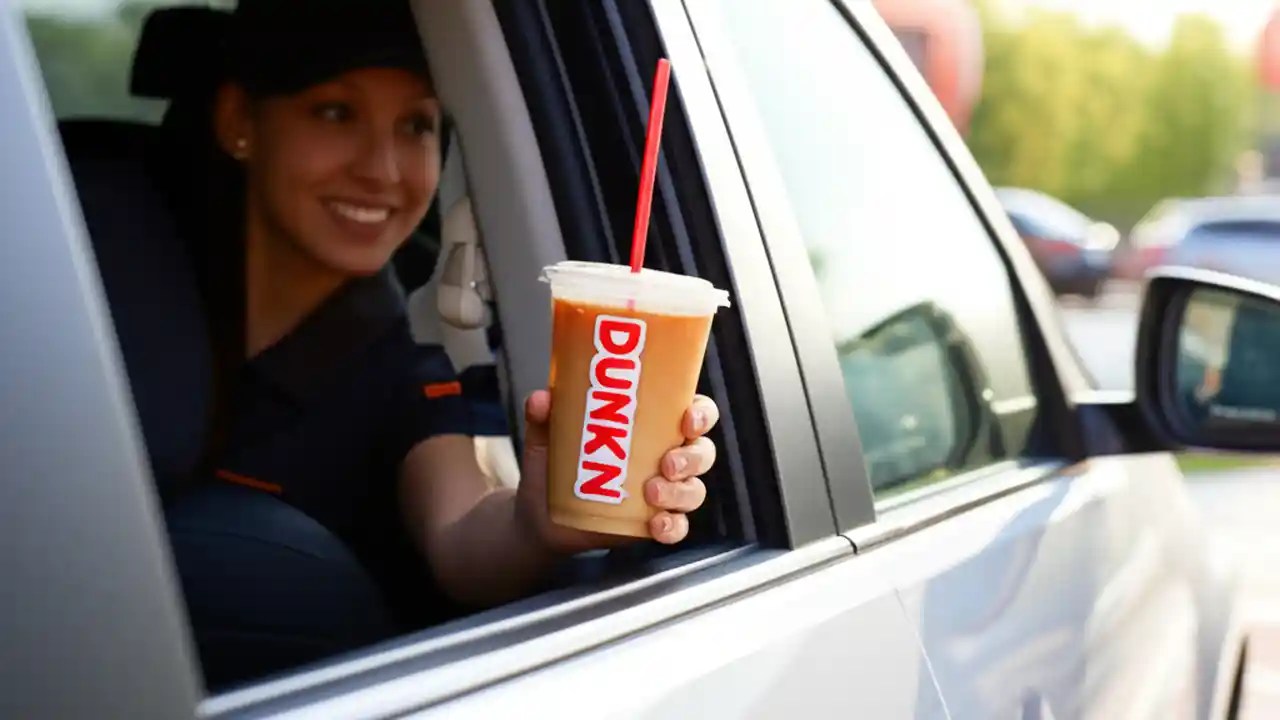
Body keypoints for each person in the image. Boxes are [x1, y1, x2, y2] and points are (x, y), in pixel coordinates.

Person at [161, 0, 717, 688]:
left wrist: (538, 521)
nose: (384, 169)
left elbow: (460, 538)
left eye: (417, 125)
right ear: (238, 121)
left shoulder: (404, 373)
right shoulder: (106, 290)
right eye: (336, 112)